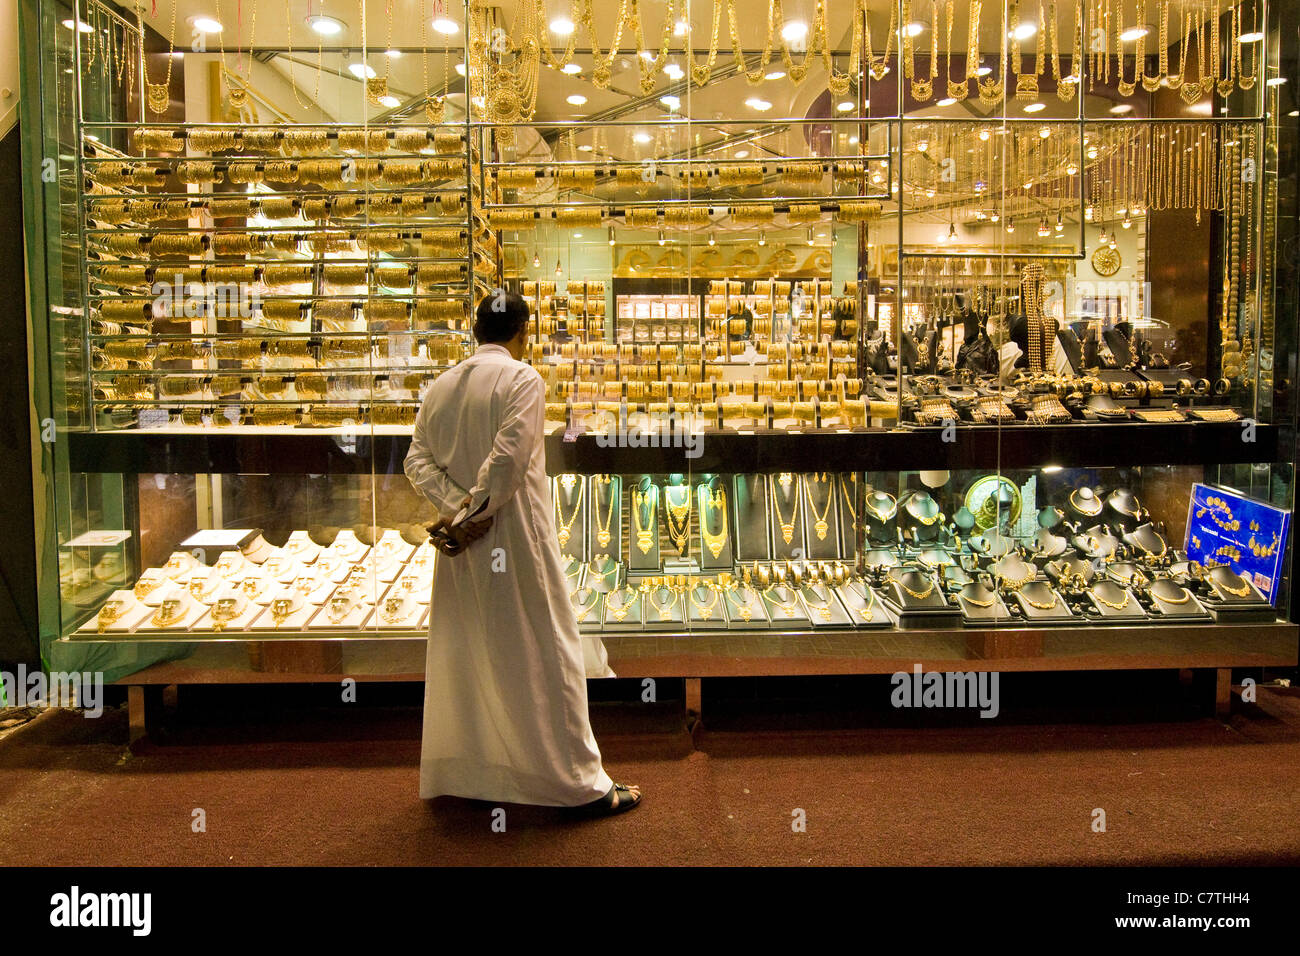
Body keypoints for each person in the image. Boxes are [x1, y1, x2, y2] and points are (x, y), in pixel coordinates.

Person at [403, 291, 642, 817]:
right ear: (523, 331)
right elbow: (509, 461)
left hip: (462, 543)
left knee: (470, 654)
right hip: (513, 537)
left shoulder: (440, 386)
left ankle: (476, 774)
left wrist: (455, 513)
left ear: (474, 331)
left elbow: (415, 460)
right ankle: (578, 785)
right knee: (545, 654)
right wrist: (473, 515)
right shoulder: (523, 380)